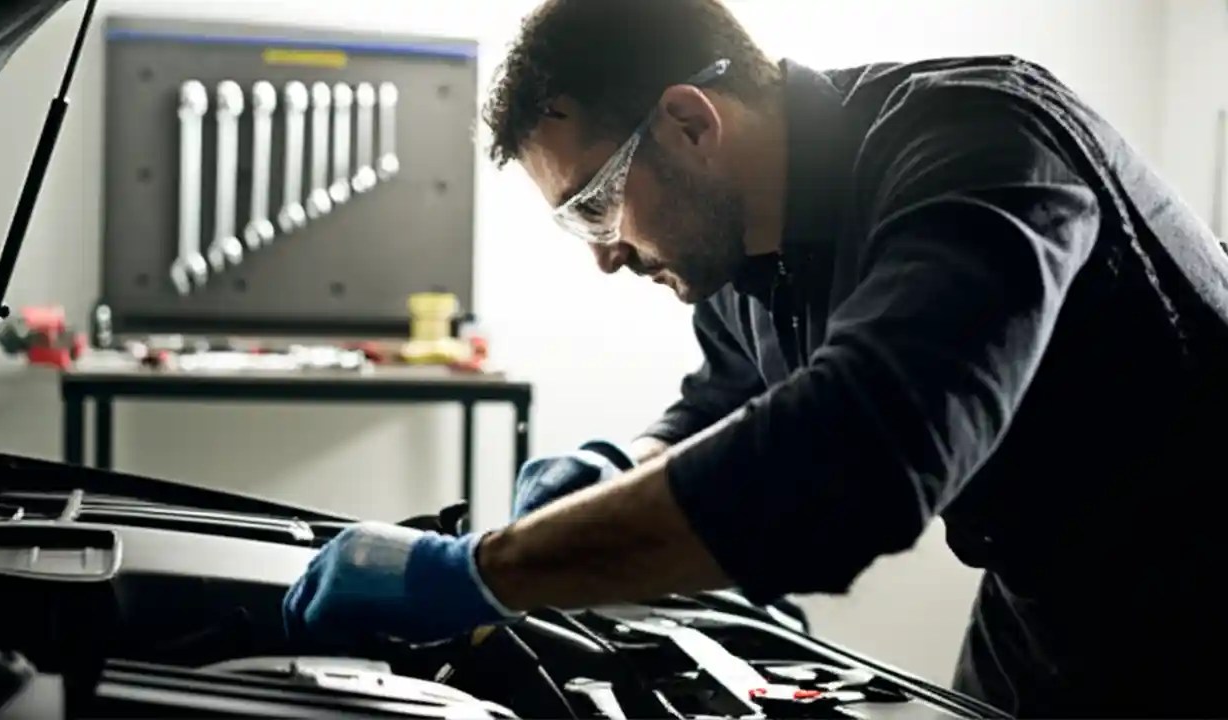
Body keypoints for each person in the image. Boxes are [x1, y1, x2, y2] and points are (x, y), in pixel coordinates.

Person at [282, 0, 1228, 715]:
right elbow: (723, 402)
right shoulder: (741, 258)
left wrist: (479, 570)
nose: (606, 253)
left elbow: (856, 454)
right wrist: (614, 472)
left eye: (595, 207)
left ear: (693, 123)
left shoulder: (980, 145)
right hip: (1043, 610)